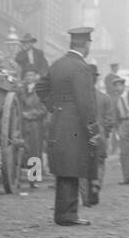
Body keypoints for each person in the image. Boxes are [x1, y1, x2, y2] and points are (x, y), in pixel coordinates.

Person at [36, 26, 100, 225]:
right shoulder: (82, 68)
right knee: (73, 165)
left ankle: (63, 214)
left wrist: (53, 106)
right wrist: (92, 127)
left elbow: (40, 87)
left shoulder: (57, 64)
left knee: (65, 166)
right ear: (87, 45)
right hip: (75, 122)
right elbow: (85, 101)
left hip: (59, 120)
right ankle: (68, 215)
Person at [82, 63, 115, 206]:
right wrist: (105, 134)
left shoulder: (79, 97)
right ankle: (96, 186)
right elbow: (110, 121)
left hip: (82, 135)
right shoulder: (105, 98)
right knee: (100, 162)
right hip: (100, 136)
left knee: (83, 165)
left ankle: (85, 196)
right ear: (96, 79)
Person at [21, 69, 49, 188]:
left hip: (35, 126)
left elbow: (43, 109)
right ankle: (18, 177)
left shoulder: (39, 91)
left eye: (31, 75)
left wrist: (30, 115)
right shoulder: (20, 90)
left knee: (35, 152)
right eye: (27, 75)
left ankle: (34, 180)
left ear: (35, 77)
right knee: (22, 151)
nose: (29, 77)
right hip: (21, 125)